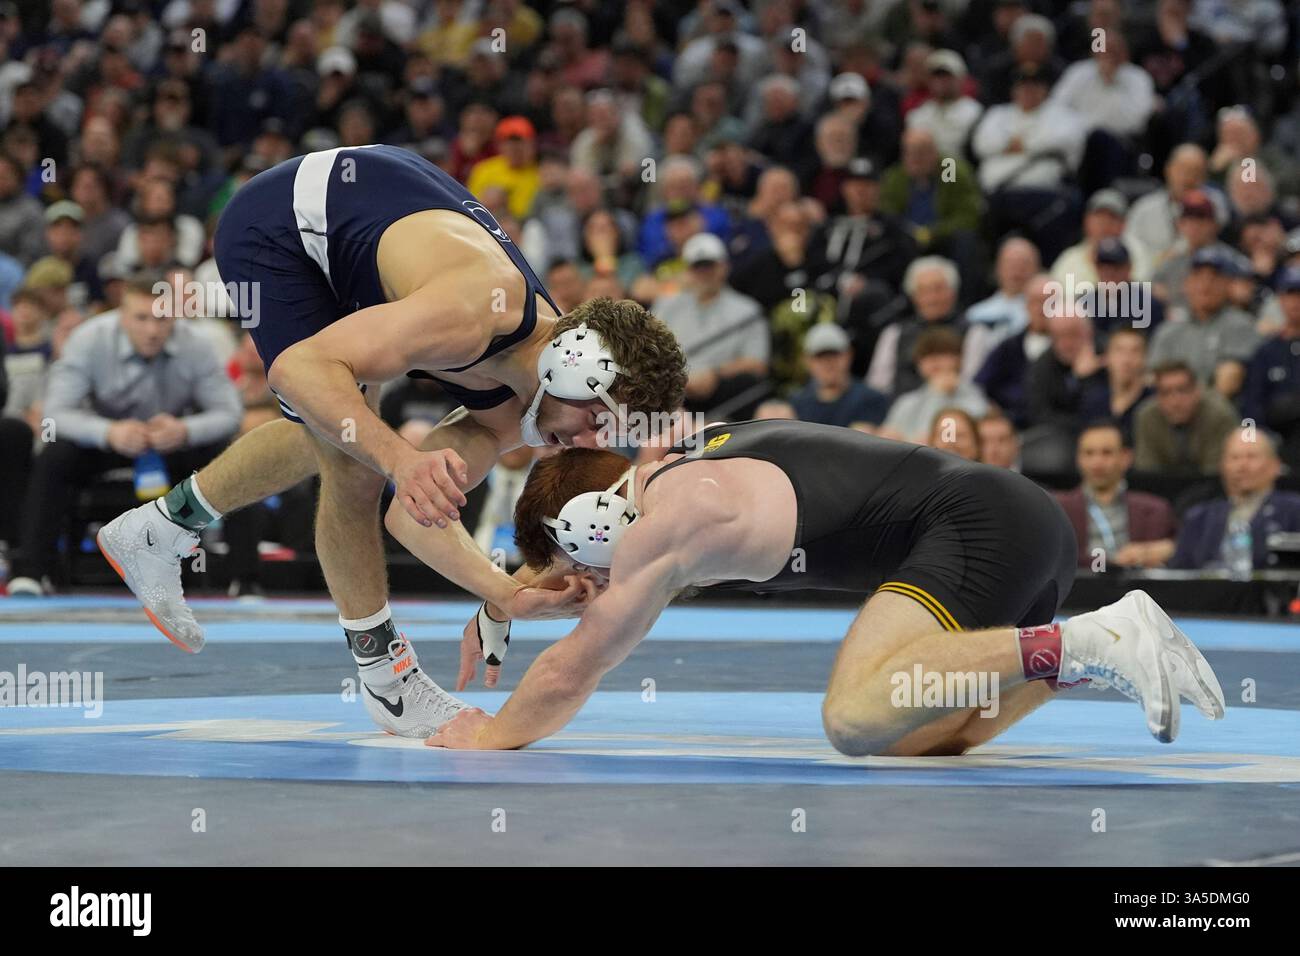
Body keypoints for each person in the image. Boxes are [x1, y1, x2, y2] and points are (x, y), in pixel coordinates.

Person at [95, 144, 687, 739]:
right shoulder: (475, 310)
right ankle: (387, 681)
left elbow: (415, 512)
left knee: (340, 433)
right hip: (284, 225)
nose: (588, 440)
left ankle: (161, 527)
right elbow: (295, 372)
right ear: (571, 367)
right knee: (356, 458)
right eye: (597, 418)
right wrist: (401, 459)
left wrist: (509, 592)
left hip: (368, 227)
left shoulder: (520, 405)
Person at [428, 419, 1224, 752]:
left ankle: (1098, 635)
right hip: (1023, 533)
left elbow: (579, 663)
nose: (593, 588)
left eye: (587, 572)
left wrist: (490, 737)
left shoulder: (671, 515)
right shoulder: (677, 470)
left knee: (850, 717)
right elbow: (578, 561)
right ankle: (1082, 650)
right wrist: (505, 595)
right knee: (911, 739)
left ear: (601, 526)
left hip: (979, 524)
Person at [7, 278, 242, 596]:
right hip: (106, 438)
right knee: (54, 456)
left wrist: (185, 430)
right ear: (122, 316)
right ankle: (32, 572)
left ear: (174, 316)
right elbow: (55, 413)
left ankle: (245, 578)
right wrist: (108, 432)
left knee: (233, 455)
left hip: (171, 440)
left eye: (161, 318)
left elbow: (229, 413)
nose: (152, 330)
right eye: (141, 318)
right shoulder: (89, 339)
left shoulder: (197, 344)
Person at [1169, 428, 1300, 571]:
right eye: (1234, 458)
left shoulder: (1294, 511)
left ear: (1275, 465)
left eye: (1251, 457)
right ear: (1222, 466)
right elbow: (1179, 573)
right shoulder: (1199, 518)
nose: (1241, 466)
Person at [1056, 421, 1176, 569]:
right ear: (1078, 459)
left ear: (1126, 458)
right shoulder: (1059, 509)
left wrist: (1161, 551)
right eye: (1088, 453)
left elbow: (1180, 552)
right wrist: (1111, 563)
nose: (1097, 463)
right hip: (1080, 588)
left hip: (1138, 588)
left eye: (1106, 453)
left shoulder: (1155, 509)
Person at [1134, 361, 1238, 476]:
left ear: (1197, 391)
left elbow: (1215, 474)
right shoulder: (1147, 417)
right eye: (1166, 393)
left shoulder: (1219, 415)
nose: (1175, 401)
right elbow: (1147, 472)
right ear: (1157, 397)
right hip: (1160, 489)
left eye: (1182, 390)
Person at [789, 324, 888, 429]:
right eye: (820, 357)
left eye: (834, 355)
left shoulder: (871, 400)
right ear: (807, 361)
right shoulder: (798, 403)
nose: (828, 363)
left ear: (848, 355)